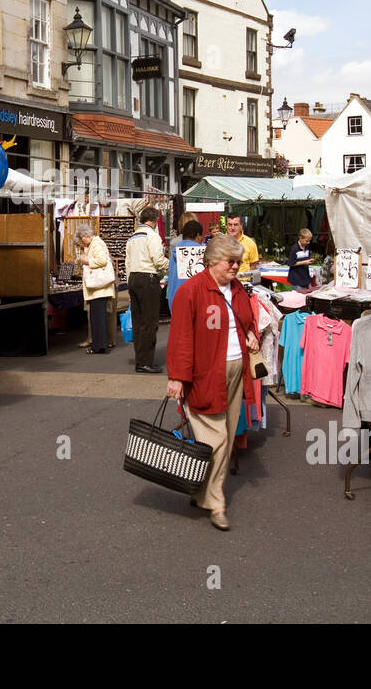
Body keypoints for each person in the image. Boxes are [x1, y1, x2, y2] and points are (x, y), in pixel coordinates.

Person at [166, 234, 260, 531]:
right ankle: (216, 502)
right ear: (211, 262)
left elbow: (245, 319)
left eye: (237, 261)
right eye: (230, 262)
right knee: (216, 439)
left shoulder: (237, 289)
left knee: (228, 435)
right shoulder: (191, 291)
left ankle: (200, 490)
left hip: (235, 370)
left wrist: (251, 333)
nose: (235, 266)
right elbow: (180, 337)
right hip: (205, 374)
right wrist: (177, 377)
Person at [125, 207, 168, 373]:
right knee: (149, 321)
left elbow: (128, 263)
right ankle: (145, 362)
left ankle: (140, 358)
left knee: (138, 321)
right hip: (148, 278)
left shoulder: (132, 237)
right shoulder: (152, 236)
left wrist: (130, 283)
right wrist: (169, 265)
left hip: (134, 278)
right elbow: (158, 260)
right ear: (155, 221)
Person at [76, 224, 116, 355]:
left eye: (82, 240)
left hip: (99, 288)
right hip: (99, 288)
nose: (83, 243)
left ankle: (99, 346)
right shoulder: (95, 244)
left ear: (86, 236)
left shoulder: (97, 244)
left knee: (97, 317)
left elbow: (102, 260)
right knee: (98, 317)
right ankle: (100, 344)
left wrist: (85, 260)